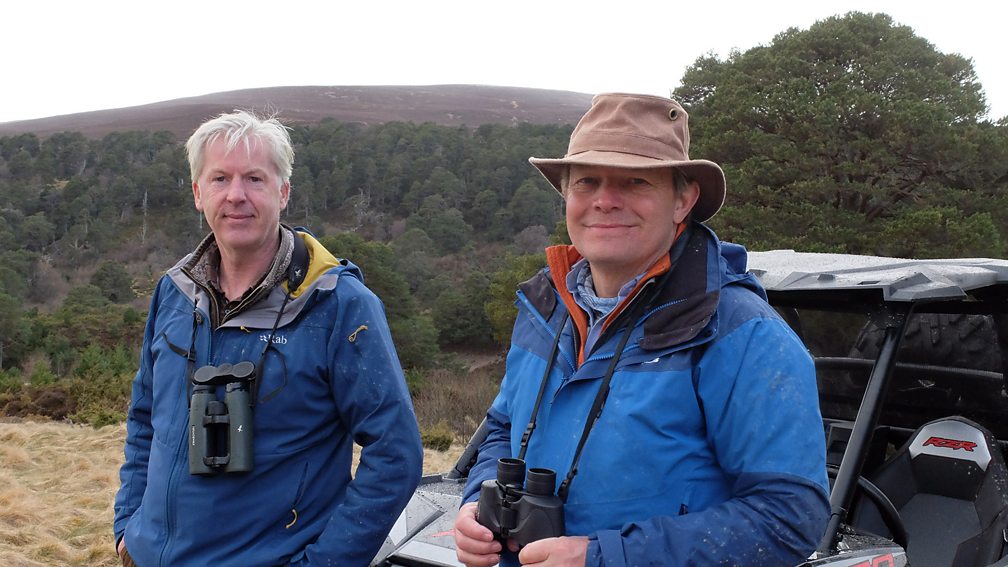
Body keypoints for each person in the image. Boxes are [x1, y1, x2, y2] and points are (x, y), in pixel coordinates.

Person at [453, 93, 830, 566]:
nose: (605, 201)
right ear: (567, 195)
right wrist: (478, 500)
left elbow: (789, 518)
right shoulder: (543, 310)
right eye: (587, 181)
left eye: (635, 182)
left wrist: (605, 558)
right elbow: (503, 428)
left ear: (683, 200)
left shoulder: (742, 334)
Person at [113, 110, 423, 566]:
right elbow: (144, 416)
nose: (236, 195)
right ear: (198, 193)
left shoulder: (338, 304)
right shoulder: (174, 291)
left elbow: (396, 454)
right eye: (220, 178)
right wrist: (128, 527)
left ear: (283, 191)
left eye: (255, 178)